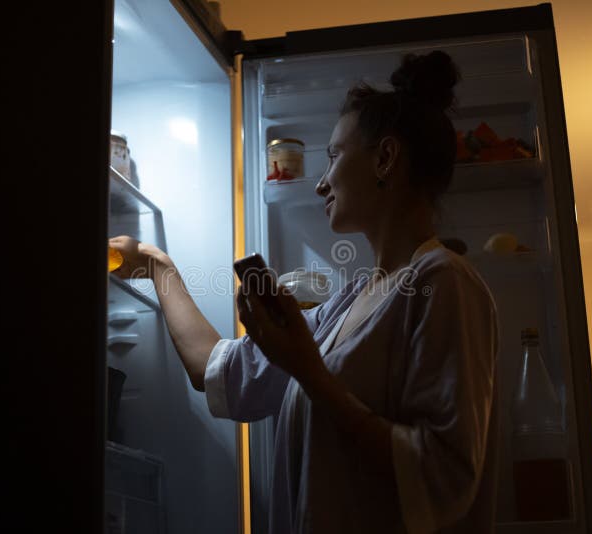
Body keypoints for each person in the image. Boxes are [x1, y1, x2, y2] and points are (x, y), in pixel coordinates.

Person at [109, 50, 499, 534]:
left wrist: (310, 373)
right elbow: (218, 372)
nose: (320, 183)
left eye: (334, 156)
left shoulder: (444, 283)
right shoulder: (351, 300)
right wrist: (156, 265)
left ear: (385, 158)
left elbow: (446, 481)